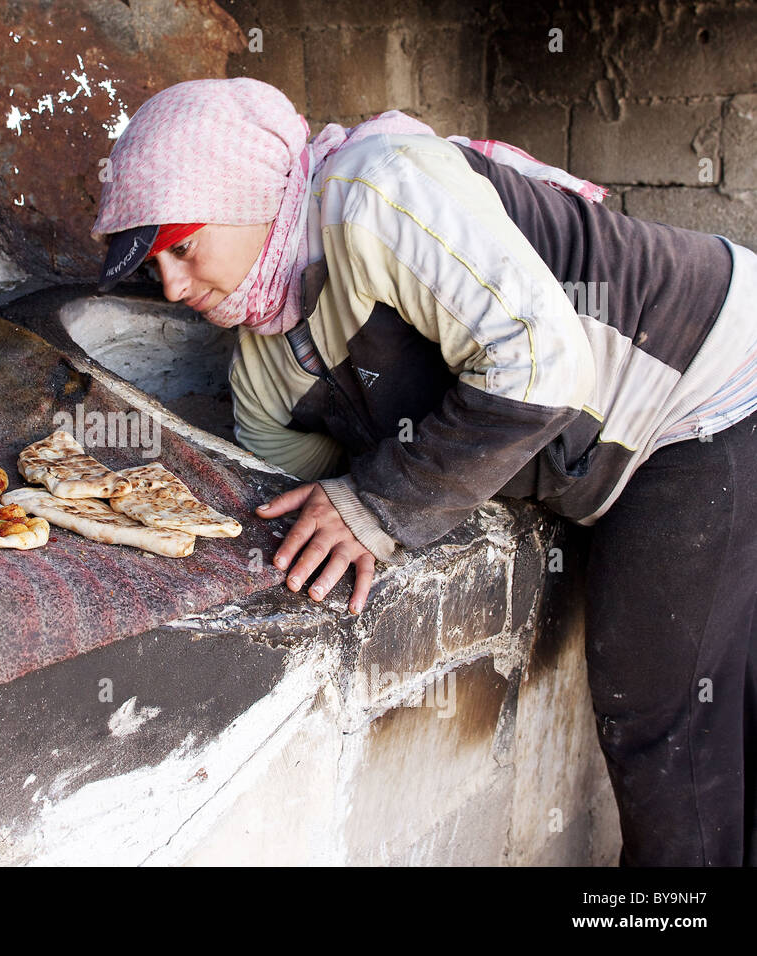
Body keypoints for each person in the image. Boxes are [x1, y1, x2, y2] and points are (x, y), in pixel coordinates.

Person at [90, 77, 757, 867]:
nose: (172, 286)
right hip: (626, 434)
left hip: (711, 382)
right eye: (151, 265)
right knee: (711, 680)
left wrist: (376, 505)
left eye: (183, 245)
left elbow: (543, 363)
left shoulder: (375, 188)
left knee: (658, 699)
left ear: (244, 193)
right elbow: (296, 498)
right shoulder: (266, 364)